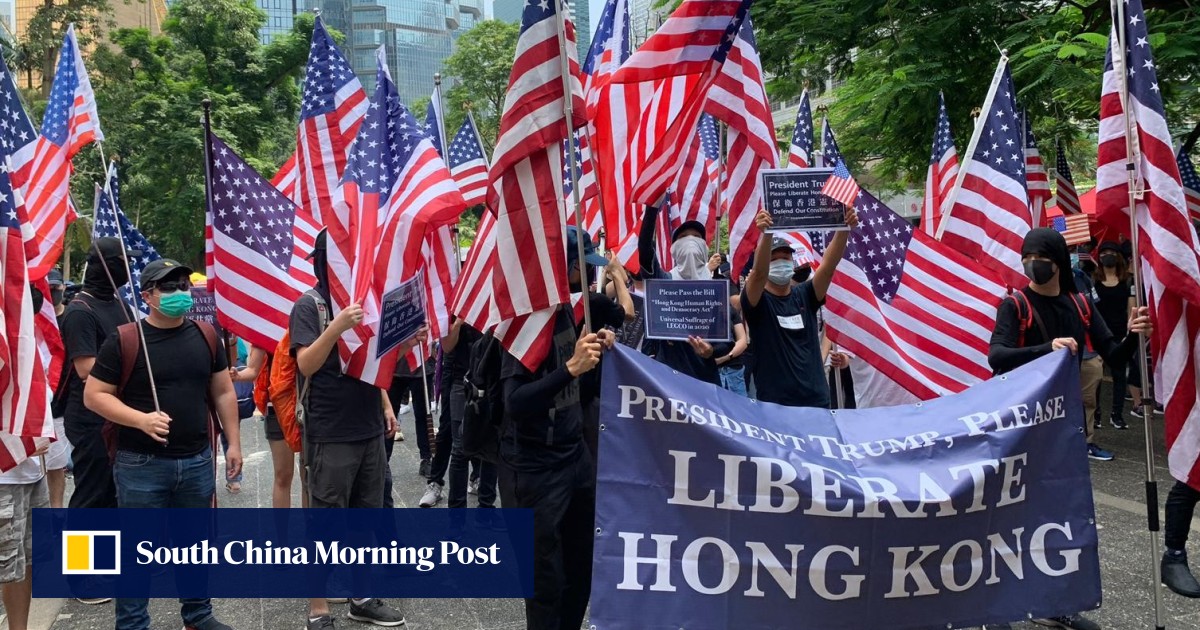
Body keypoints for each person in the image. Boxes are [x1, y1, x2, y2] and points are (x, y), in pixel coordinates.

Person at [988, 228, 1151, 630]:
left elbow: (1112, 353)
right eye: (1026, 257)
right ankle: (994, 601)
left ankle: (1054, 603)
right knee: (1009, 514)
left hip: (1063, 428)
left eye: (1039, 257)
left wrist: (1135, 335)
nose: (1031, 264)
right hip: (1019, 427)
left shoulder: (1079, 302)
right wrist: (1048, 349)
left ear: (1058, 261)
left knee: (1058, 514)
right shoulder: (1016, 304)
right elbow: (998, 357)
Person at [83, 258, 242, 630]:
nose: (179, 293)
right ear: (148, 295)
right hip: (141, 464)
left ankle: (198, 614)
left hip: (198, 460)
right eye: (169, 287)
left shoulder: (206, 334)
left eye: (183, 285)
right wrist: (140, 419)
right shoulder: (124, 339)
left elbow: (222, 391)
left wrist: (233, 443)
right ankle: (133, 623)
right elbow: (94, 394)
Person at [291, 229, 417, 629]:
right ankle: (318, 608)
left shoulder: (369, 303)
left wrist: (406, 343)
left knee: (367, 518)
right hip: (331, 431)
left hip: (368, 428)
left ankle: (360, 596)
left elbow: (375, 361)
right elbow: (306, 364)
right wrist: (337, 326)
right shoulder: (309, 305)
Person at [497, 250, 614, 630]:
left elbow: (579, 390)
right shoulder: (524, 321)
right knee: (545, 585)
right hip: (534, 470)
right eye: (581, 265)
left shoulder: (568, 311)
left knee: (582, 570)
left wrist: (596, 353)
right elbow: (515, 403)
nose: (586, 273)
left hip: (574, 458)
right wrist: (570, 368)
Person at [741, 207, 858, 407]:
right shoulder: (757, 301)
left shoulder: (805, 295)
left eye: (786, 258)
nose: (781, 262)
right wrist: (766, 233)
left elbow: (828, 267)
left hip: (816, 401)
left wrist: (843, 228)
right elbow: (759, 274)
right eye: (774, 259)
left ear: (793, 263)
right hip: (776, 405)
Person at [60, 238, 137, 516]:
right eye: (123, 262)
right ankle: (81, 560)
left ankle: (107, 558)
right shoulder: (81, 310)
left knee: (114, 494)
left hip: (118, 413)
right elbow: (85, 368)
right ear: (106, 266)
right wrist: (134, 376)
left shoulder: (121, 305)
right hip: (89, 418)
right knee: (92, 496)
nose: (129, 268)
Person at [638, 207, 731, 385]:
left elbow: (728, 341)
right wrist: (651, 209)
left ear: (705, 248)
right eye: (683, 238)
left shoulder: (716, 290)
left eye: (696, 237)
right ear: (674, 249)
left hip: (704, 381)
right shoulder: (663, 281)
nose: (690, 241)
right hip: (668, 382)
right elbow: (645, 249)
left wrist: (711, 351)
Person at [1091, 241, 1135, 429]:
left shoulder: (1128, 281)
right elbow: (1090, 309)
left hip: (1119, 335)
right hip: (1099, 336)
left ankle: (1116, 414)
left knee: (1119, 377)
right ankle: (1097, 413)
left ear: (1118, 256)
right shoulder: (1093, 280)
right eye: (1104, 253)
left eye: (1111, 252)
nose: (1107, 256)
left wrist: (1128, 333)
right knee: (1096, 377)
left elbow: (1131, 308)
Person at [43, 269, 70, 508]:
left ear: (63, 287)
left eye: (56, 287)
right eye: (48, 288)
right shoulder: (37, 320)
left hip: (67, 406)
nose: (53, 292)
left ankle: (58, 511)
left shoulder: (73, 319)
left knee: (57, 466)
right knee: (45, 465)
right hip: (45, 405)